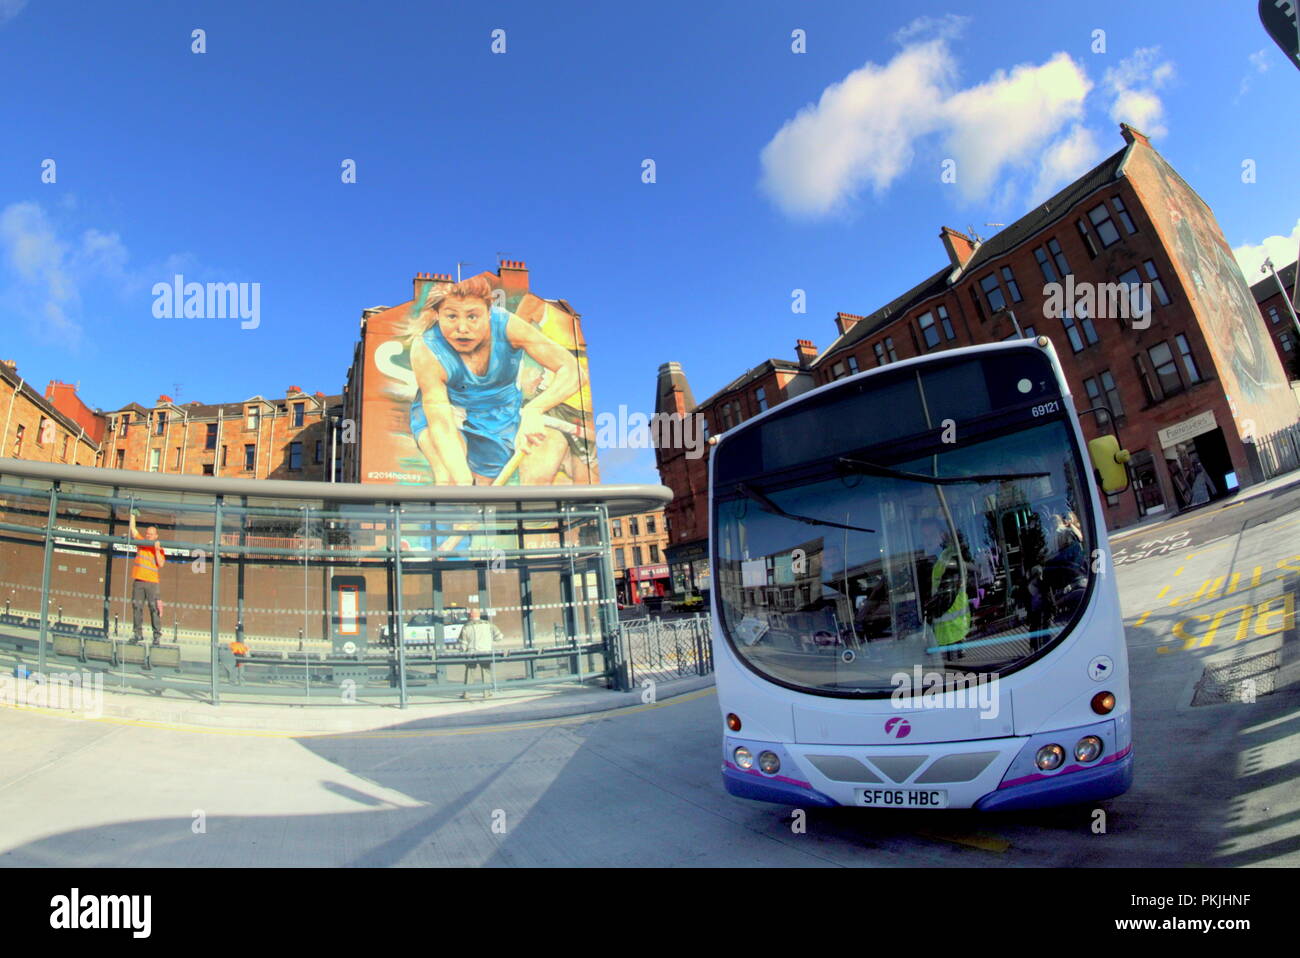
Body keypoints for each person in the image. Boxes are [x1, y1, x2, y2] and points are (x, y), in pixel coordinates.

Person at [409, 277, 581, 485]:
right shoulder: (426, 349)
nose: (462, 327)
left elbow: (572, 370)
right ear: (437, 315)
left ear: (488, 314)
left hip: (498, 415)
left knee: (485, 489)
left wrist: (534, 410)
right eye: (452, 316)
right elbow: (441, 422)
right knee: (452, 480)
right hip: (445, 412)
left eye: (473, 317)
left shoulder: (508, 326)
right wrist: (463, 485)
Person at [917, 518, 971, 663]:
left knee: (958, 675)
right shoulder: (929, 559)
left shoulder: (950, 558)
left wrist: (922, 611)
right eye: (924, 537)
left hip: (954, 634)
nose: (927, 540)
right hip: (943, 634)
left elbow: (945, 598)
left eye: (931, 535)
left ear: (942, 535)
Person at [126, 510, 166, 645]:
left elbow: (161, 563)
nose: (148, 535)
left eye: (151, 534)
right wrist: (132, 515)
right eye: (147, 533)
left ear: (156, 536)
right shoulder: (141, 543)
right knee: (137, 607)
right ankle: (137, 634)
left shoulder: (159, 549)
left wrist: (156, 549)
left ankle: (156, 636)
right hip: (139, 582)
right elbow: (133, 529)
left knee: (154, 609)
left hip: (152, 583)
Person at [458, 608, 503, 699]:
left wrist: (462, 652)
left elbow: (463, 643)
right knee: (486, 672)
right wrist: (490, 640)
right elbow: (499, 637)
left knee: (470, 673)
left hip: (472, 652)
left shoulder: (466, 626)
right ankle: (487, 693)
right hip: (485, 651)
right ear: (479, 614)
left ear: (471, 615)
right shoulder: (488, 624)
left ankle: (467, 694)